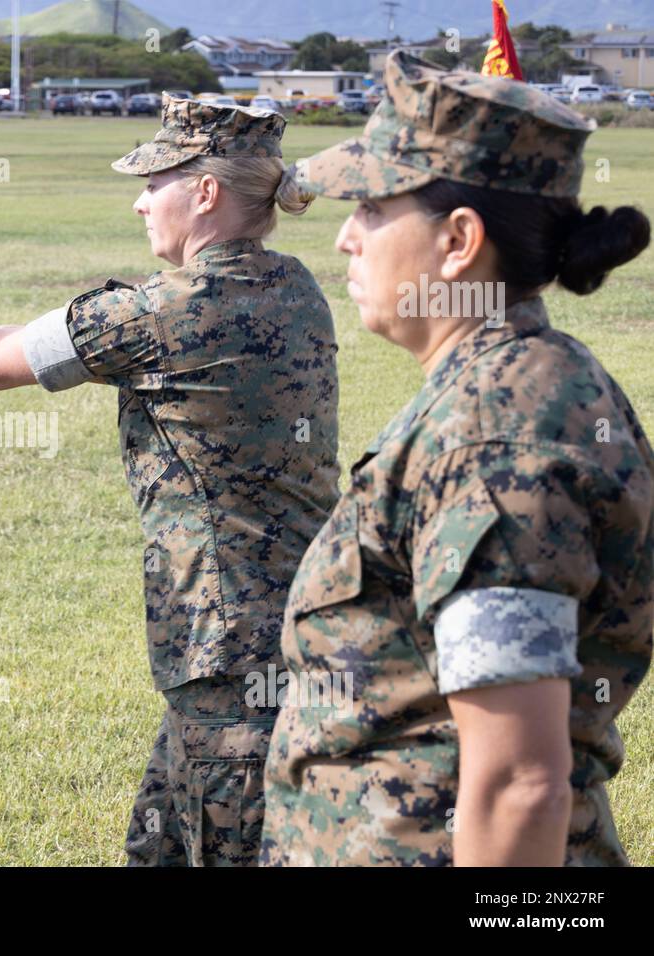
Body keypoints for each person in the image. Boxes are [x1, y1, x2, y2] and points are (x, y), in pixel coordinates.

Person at [0, 97, 341, 865]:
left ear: (204, 193)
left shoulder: (167, 312)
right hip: (299, 628)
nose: (138, 200)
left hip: (227, 649)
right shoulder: (296, 288)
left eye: (154, 181)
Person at [260, 51, 653, 866]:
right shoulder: (505, 382)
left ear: (458, 242)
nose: (344, 238)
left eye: (370, 206)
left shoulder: (496, 436)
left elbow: (518, 781)